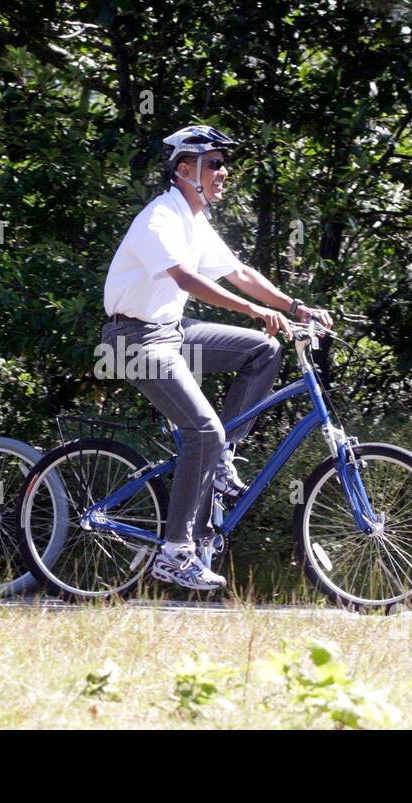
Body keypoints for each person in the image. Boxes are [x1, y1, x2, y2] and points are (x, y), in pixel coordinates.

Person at [100, 125, 333, 591]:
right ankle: (175, 553)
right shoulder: (160, 218)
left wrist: (295, 307)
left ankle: (222, 457)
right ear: (185, 169)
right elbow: (186, 279)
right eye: (215, 163)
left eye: (224, 164)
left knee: (263, 349)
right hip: (133, 340)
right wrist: (253, 311)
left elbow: (240, 272)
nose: (224, 172)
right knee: (203, 431)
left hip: (170, 331)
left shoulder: (195, 220)